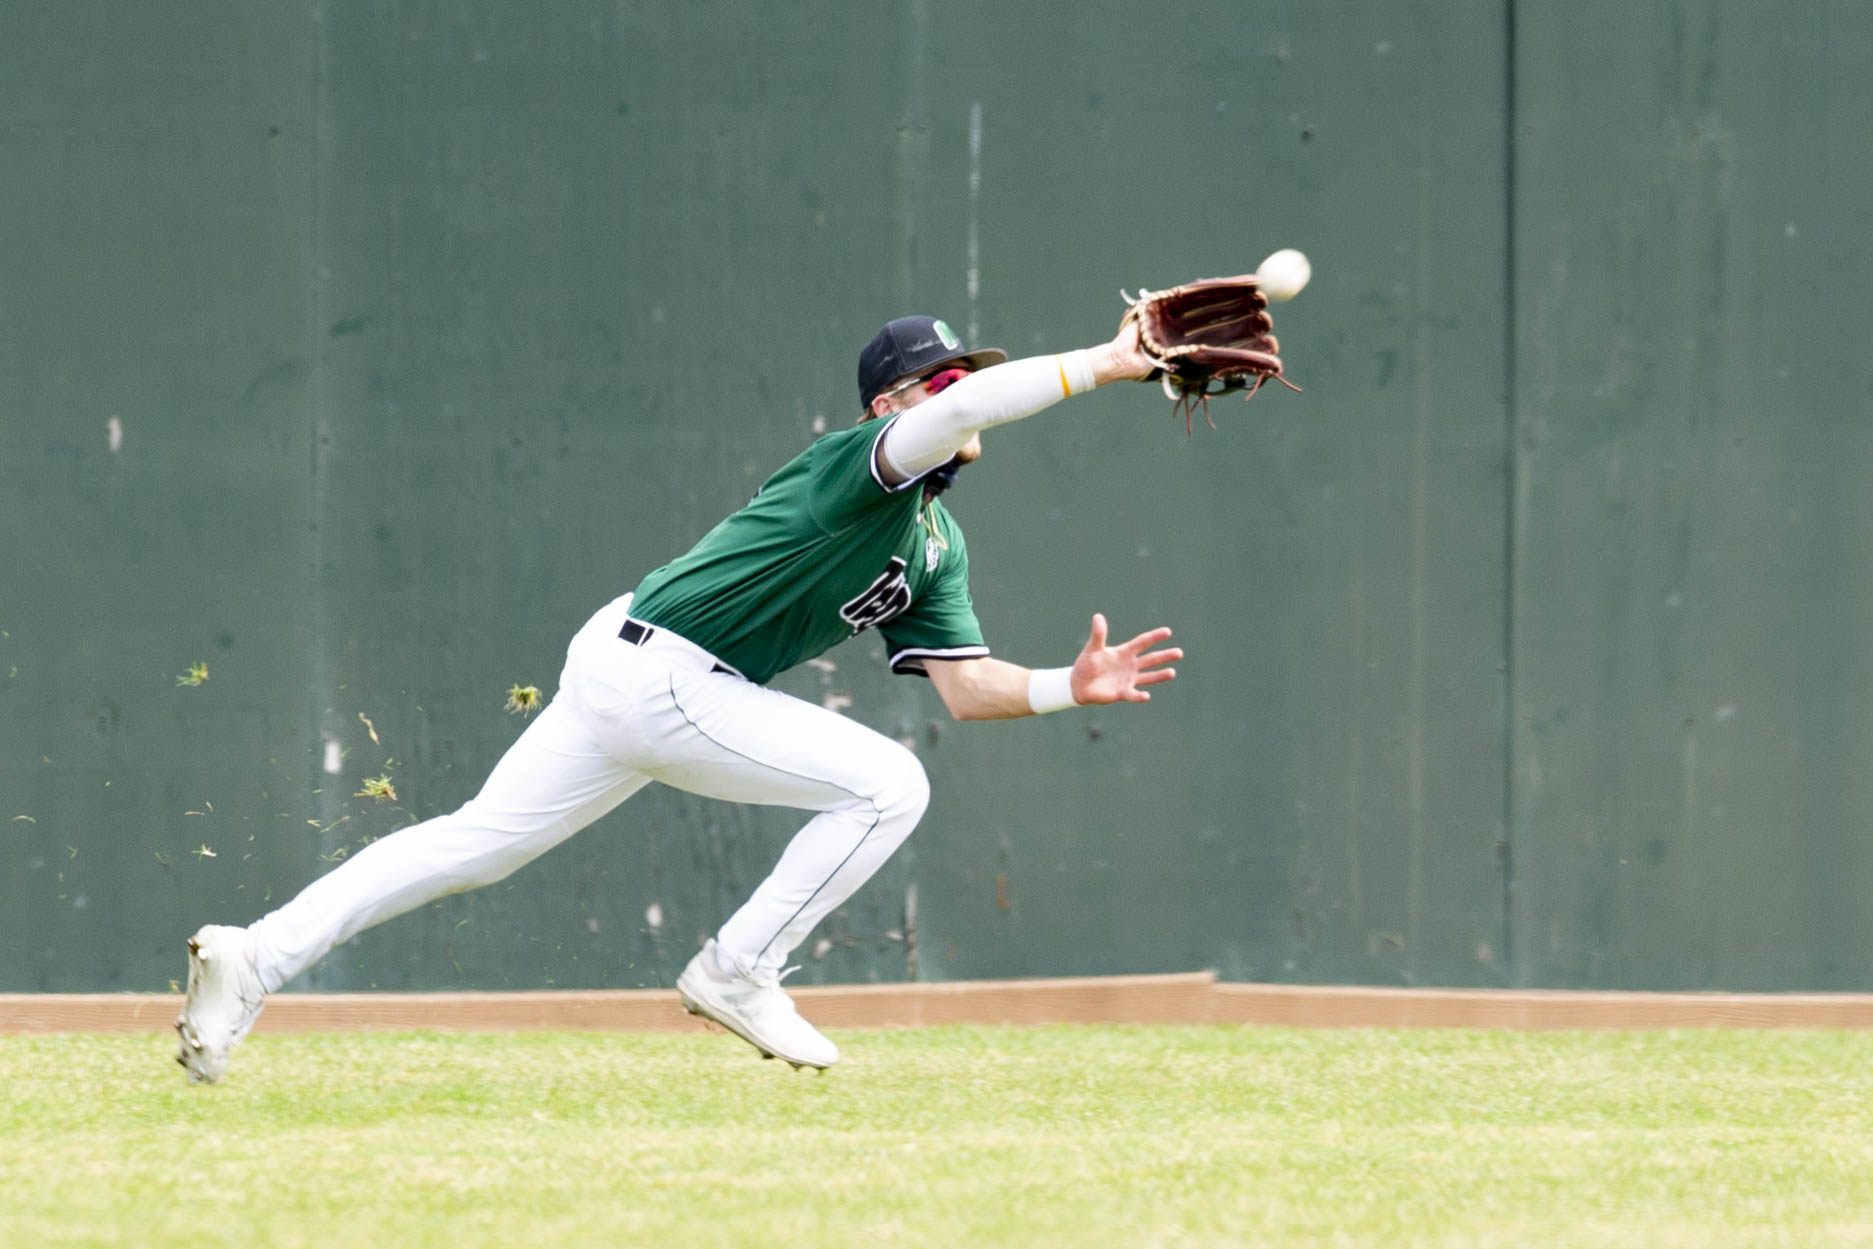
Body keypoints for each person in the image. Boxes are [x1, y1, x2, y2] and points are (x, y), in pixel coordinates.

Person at [175, 308, 1180, 1081]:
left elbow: (966, 689)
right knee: (888, 786)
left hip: (641, 666)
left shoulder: (934, 542)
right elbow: (955, 413)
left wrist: (1064, 685)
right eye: (941, 376)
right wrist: (1104, 362)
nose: (964, 390)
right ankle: (738, 970)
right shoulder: (859, 464)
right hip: (668, 673)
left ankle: (252, 957)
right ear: (888, 406)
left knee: (473, 843)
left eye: (970, 374)